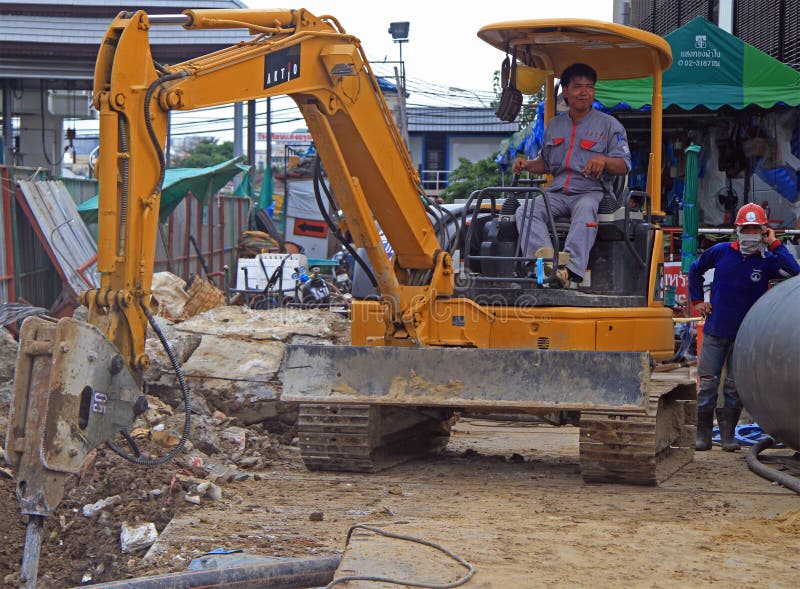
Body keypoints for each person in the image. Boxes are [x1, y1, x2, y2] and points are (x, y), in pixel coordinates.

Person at [689, 203, 800, 451]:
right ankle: (703, 435)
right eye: (746, 228)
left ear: (763, 231)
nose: (750, 233)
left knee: (734, 385)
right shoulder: (720, 252)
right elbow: (695, 270)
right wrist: (697, 301)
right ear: (737, 229)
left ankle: (728, 435)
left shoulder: (768, 261)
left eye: (755, 229)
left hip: (745, 337)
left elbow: (795, 271)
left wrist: (774, 243)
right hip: (716, 330)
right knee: (707, 382)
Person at [513, 63, 631, 286]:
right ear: (565, 91)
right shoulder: (554, 125)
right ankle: (545, 265)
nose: (584, 92)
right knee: (526, 210)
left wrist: (603, 160)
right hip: (557, 192)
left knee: (586, 209)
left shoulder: (609, 125)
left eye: (589, 87)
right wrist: (526, 164)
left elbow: (624, 165)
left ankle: (570, 271)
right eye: (577, 87)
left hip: (590, 191)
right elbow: (546, 163)